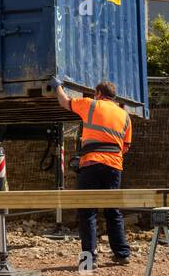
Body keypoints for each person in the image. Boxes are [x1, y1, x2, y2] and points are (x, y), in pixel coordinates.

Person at [54, 79, 133, 266]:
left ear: (98, 93)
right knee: (113, 211)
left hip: (91, 163)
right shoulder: (125, 116)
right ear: (113, 97)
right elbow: (126, 147)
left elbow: (64, 102)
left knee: (87, 211)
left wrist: (57, 85)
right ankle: (122, 254)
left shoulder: (90, 105)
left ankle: (89, 260)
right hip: (114, 166)